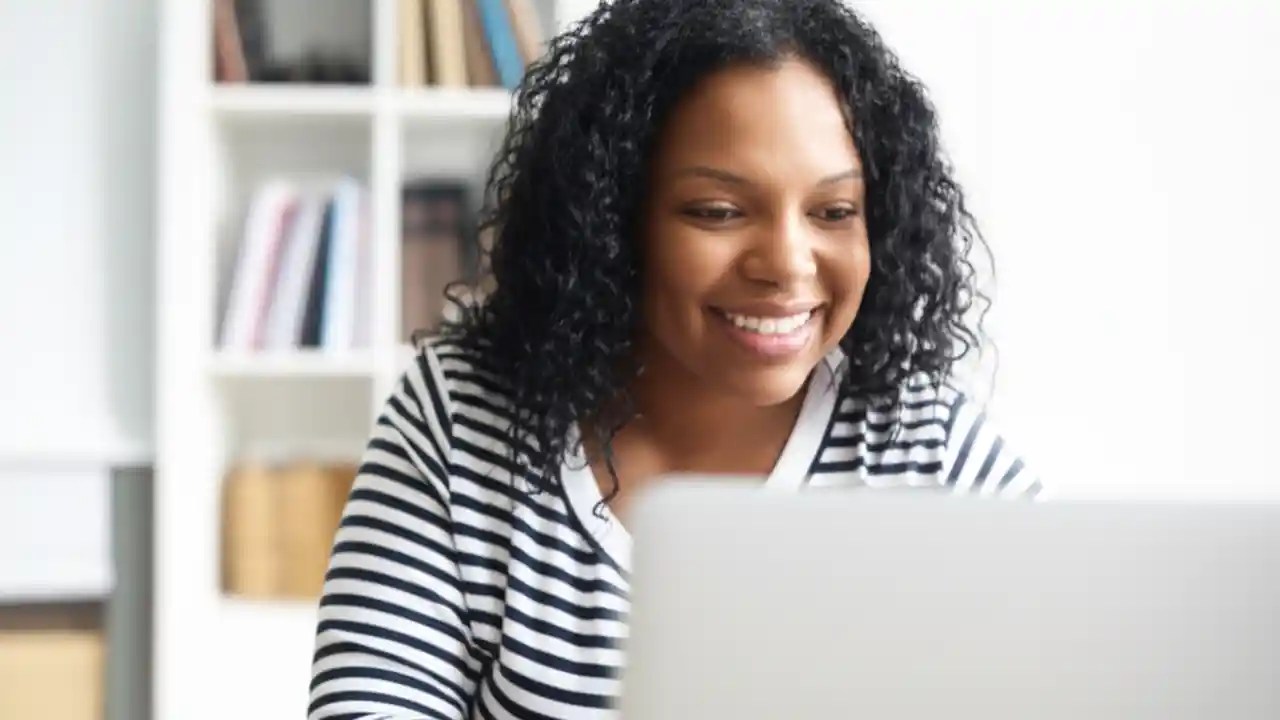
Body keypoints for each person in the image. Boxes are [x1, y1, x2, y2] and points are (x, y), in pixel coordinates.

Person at [308, 0, 1041, 717]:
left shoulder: (926, 447)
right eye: (718, 211)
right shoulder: (462, 418)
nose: (787, 266)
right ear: (613, 222)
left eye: (834, 212)